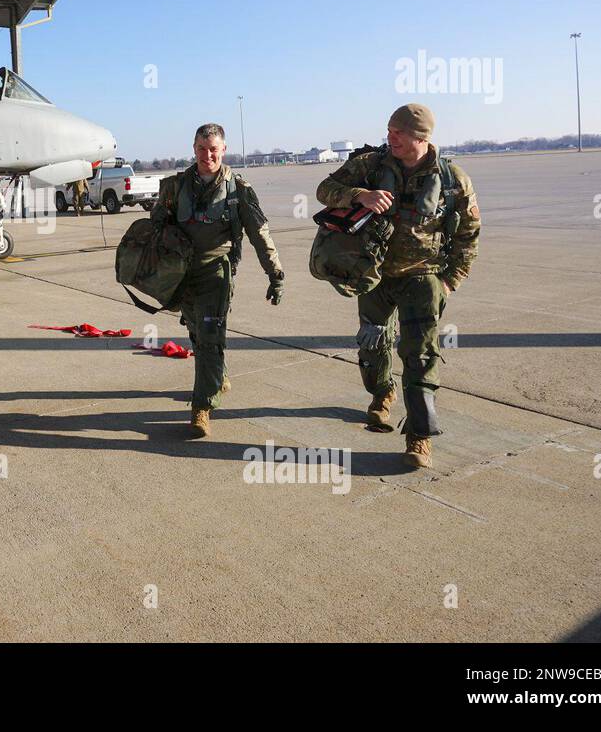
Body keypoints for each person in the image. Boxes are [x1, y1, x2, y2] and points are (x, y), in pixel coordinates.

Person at [316, 103, 480, 468]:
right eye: (389, 130)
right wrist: (360, 194)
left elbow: (469, 236)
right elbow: (324, 190)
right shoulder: (370, 165)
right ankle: (382, 392)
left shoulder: (453, 180)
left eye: (399, 133)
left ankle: (419, 437)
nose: (391, 138)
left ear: (421, 138)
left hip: (424, 277)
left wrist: (450, 281)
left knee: (420, 356)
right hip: (373, 275)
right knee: (372, 344)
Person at [152, 123, 285, 437]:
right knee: (198, 334)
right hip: (182, 275)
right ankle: (218, 376)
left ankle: (202, 406)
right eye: (201, 148)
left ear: (223, 150)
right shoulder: (175, 187)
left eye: (213, 149)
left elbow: (259, 232)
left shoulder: (238, 189)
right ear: (194, 149)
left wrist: (275, 273)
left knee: (211, 337)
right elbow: (156, 226)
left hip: (216, 273)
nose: (207, 155)